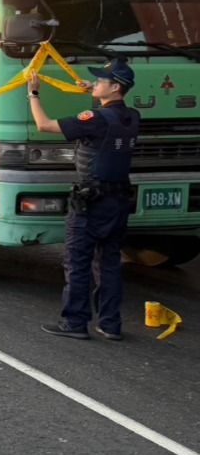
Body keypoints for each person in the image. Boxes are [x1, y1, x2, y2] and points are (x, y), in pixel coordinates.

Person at [27, 58, 139, 341]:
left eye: (101, 81)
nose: (95, 83)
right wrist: (94, 90)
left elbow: (43, 125)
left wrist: (33, 93)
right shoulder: (132, 117)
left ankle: (75, 323)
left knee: (78, 261)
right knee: (110, 262)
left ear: (115, 87)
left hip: (92, 202)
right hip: (119, 201)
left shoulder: (96, 120)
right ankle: (110, 324)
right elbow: (107, 120)